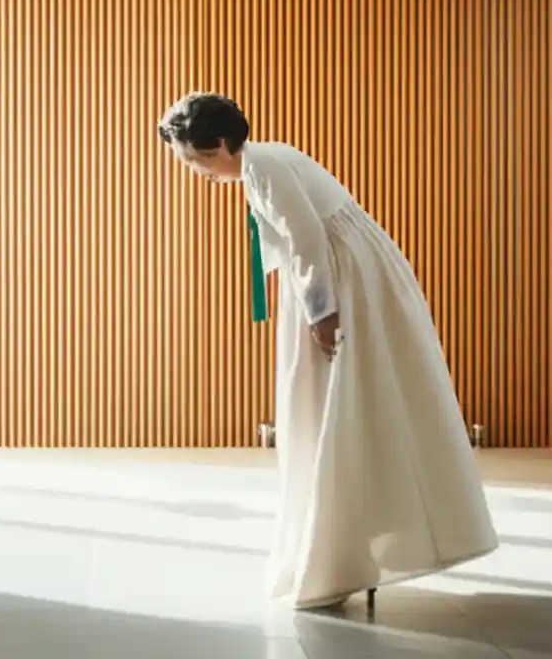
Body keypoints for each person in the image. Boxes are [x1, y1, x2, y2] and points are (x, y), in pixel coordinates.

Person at [157, 92, 498, 610]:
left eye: (195, 158)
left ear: (218, 144)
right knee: (335, 406)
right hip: (342, 274)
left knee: (328, 406)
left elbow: (306, 238)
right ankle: (340, 549)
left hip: (339, 280)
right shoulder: (266, 161)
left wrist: (322, 312)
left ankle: (339, 553)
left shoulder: (264, 167)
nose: (195, 170)